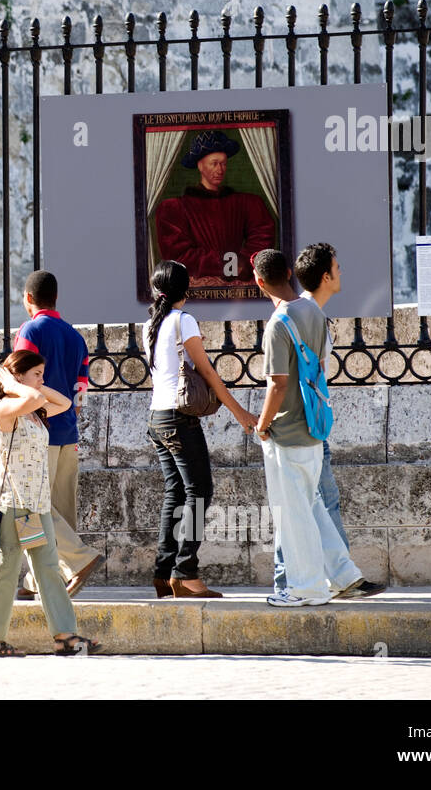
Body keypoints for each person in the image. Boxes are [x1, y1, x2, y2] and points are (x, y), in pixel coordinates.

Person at [251, 248, 385, 606]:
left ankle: (305, 588)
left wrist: (261, 426)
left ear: (259, 282)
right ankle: (343, 574)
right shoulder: (314, 313)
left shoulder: (279, 323)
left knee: (295, 517)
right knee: (314, 509)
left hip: (287, 432)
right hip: (313, 427)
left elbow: (278, 384)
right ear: (290, 274)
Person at [143, 260, 258, 598]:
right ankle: (186, 571)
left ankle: (164, 573)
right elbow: (208, 373)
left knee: (175, 493)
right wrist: (240, 413)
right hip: (179, 419)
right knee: (199, 492)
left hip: (157, 417)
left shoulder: (151, 323)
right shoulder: (184, 320)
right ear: (186, 289)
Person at [0, 350, 101, 657]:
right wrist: (13, 383)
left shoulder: (32, 408)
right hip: (12, 504)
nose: (42, 380)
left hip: (36, 505)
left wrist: (29, 383)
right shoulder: (6, 408)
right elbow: (31, 398)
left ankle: (65, 637)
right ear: (18, 377)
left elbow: (65, 403)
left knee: (47, 568)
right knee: (6, 570)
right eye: (37, 374)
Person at [268, 242, 356, 595]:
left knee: (306, 505)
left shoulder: (311, 316)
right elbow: (282, 381)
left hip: (311, 424)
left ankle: (334, 577)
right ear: (325, 276)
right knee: (301, 507)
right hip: (303, 426)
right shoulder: (300, 316)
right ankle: (303, 580)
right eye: (337, 267)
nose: (341, 272)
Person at [12, 270, 105, 601]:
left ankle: (79, 560)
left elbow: (20, 382)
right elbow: (80, 391)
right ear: (56, 298)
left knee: (32, 509)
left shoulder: (30, 330)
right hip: (68, 431)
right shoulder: (76, 337)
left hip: (38, 433)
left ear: (28, 299)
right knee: (62, 510)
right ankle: (39, 581)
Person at [154, 130, 276, 287]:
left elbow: (262, 236)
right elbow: (178, 254)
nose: (220, 170)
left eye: (224, 163)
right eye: (214, 163)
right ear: (200, 165)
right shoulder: (174, 208)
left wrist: (244, 262)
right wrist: (228, 264)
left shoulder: (246, 203)